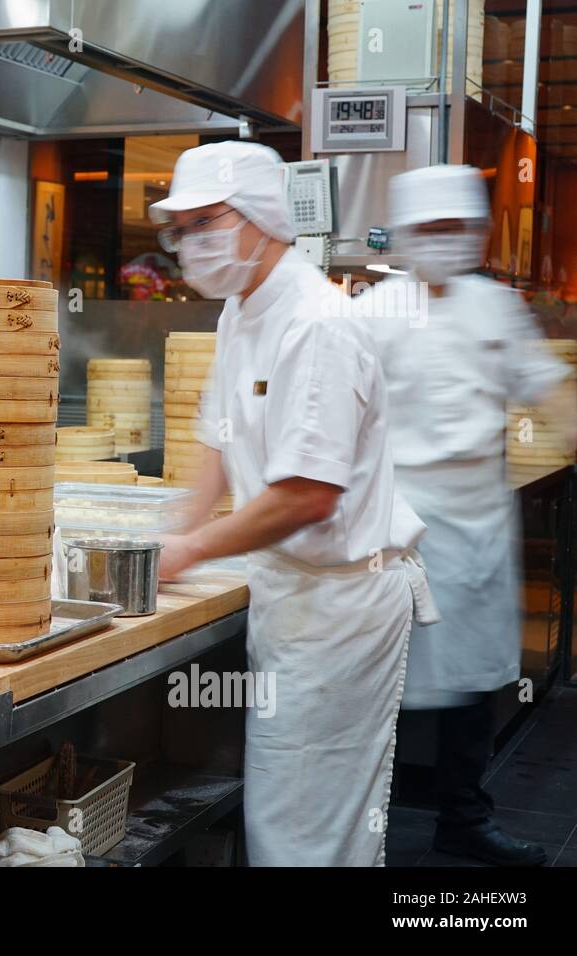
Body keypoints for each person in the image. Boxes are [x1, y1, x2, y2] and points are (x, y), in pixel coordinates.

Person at [148, 141, 433, 866]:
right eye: (180, 230)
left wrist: (192, 551)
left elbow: (309, 494)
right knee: (284, 808)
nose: (191, 245)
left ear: (261, 218)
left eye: (205, 222)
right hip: (291, 594)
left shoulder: (316, 322)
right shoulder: (242, 311)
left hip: (340, 606)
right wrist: (166, 539)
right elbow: (215, 440)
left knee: (309, 827)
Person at [358, 164, 577, 866]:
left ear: (478, 233)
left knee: (472, 692)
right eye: (433, 228)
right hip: (392, 530)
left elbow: (549, 389)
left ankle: (464, 819)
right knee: (374, 687)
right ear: (409, 233)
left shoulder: (494, 307)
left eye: (458, 228)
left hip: (477, 523)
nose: (446, 240)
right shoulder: (370, 313)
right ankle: (360, 822)